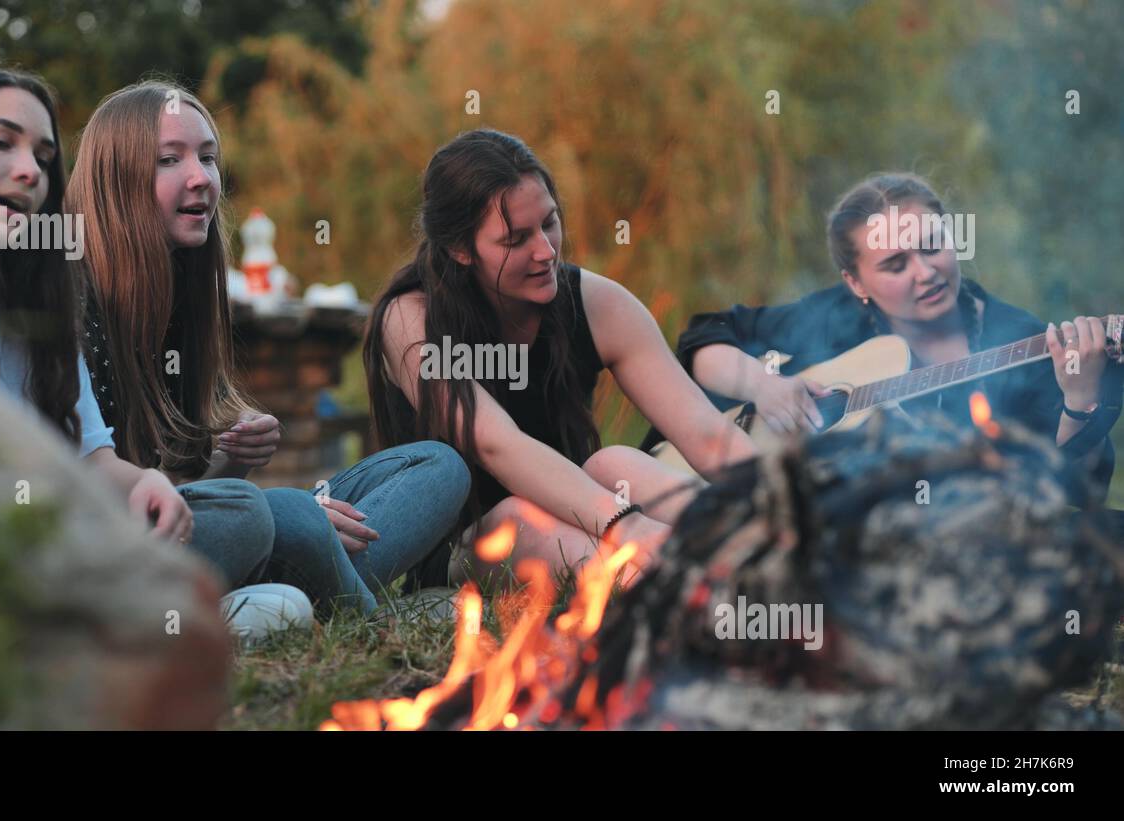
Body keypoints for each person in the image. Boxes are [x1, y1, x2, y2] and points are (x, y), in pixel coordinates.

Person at [0, 68, 310, 643]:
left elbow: (92, 459)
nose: (31, 170)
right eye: (2, 142)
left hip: (35, 557)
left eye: (43, 154)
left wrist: (143, 487)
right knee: (264, 527)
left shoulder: (35, 301)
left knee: (256, 527)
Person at [67, 81, 471, 617]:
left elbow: (186, 493)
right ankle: (370, 618)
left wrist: (228, 463)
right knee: (261, 514)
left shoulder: (181, 300)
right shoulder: (72, 303)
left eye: (208, 158)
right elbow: (105, 498)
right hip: (113, 555)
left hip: (207, 534)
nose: (200, 177)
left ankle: (299, 586)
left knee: (439, 466)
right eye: (170, 159)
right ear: (115, 178)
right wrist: (281, 513)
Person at [363, 129, 758, 586]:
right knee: (517, 515)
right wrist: (626, 525)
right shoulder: (411, 319)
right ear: (460, 249)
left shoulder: (598, 303)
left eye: (549, 223)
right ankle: (687, 586)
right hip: (470, 546)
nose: (546, 252)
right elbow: (497, 445)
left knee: (615, 464)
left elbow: (707, 434)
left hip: (587, 514)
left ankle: (768, 549)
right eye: (516, 240)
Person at [642, 172, 1121, 505]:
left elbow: (1074, 492)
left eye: (933, 246)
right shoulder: (838, 316)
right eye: (895, 264)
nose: (925, 271)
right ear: (856, 283)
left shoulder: (1022, 341)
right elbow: (708, 337)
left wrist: (1081, 400)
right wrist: (762, 385)